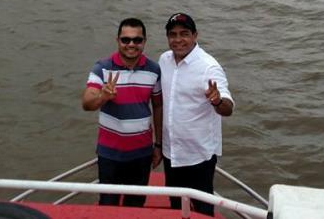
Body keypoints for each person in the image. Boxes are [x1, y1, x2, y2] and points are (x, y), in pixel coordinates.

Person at [82, 18, 163, 207]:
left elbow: (158, 106)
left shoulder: (154, 70)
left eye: (137, 40)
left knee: (135, 206)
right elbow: (87, 103)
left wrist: (158, 145)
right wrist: (103, 96)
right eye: (126, 40)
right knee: (108, 205)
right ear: (117, 40)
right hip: (110, 154)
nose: (131, 44)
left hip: (142, 154)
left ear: (144, 41)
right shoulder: (102, 68)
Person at [158, 13, 233, 217]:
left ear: (195, 35)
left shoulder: (208, 66)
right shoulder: (164, 60)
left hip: (198, 156)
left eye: (184, 34)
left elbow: (228, 108)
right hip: (171, 152)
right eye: (173, 35)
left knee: (202, 209)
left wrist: (217, 100)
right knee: (175, 206)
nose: (178, 39)